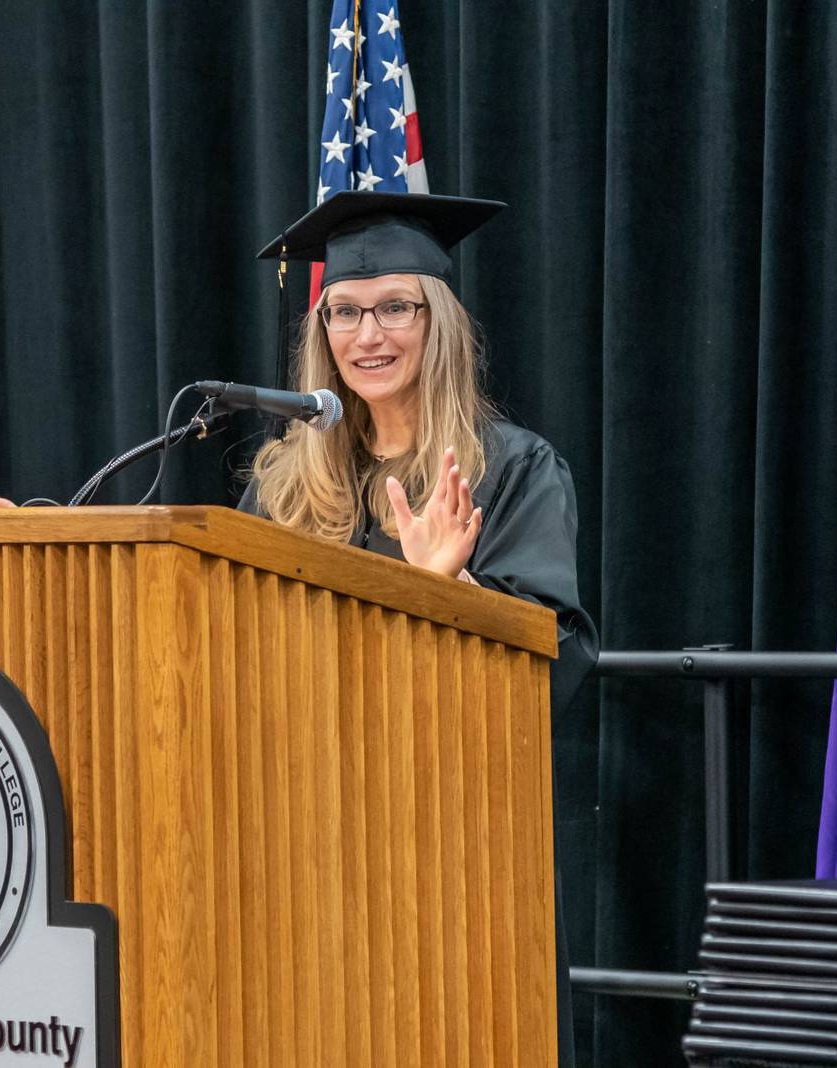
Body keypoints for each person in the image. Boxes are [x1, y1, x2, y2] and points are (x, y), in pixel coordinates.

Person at [247, 190, 597, 1066]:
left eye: (395, 308)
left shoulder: (509, 471)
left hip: (450, 841)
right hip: (307, 834)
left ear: (437, 320)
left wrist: (450, 590)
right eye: (347, 313)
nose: (370, 335)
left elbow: (555, 660)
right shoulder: (288, 482)